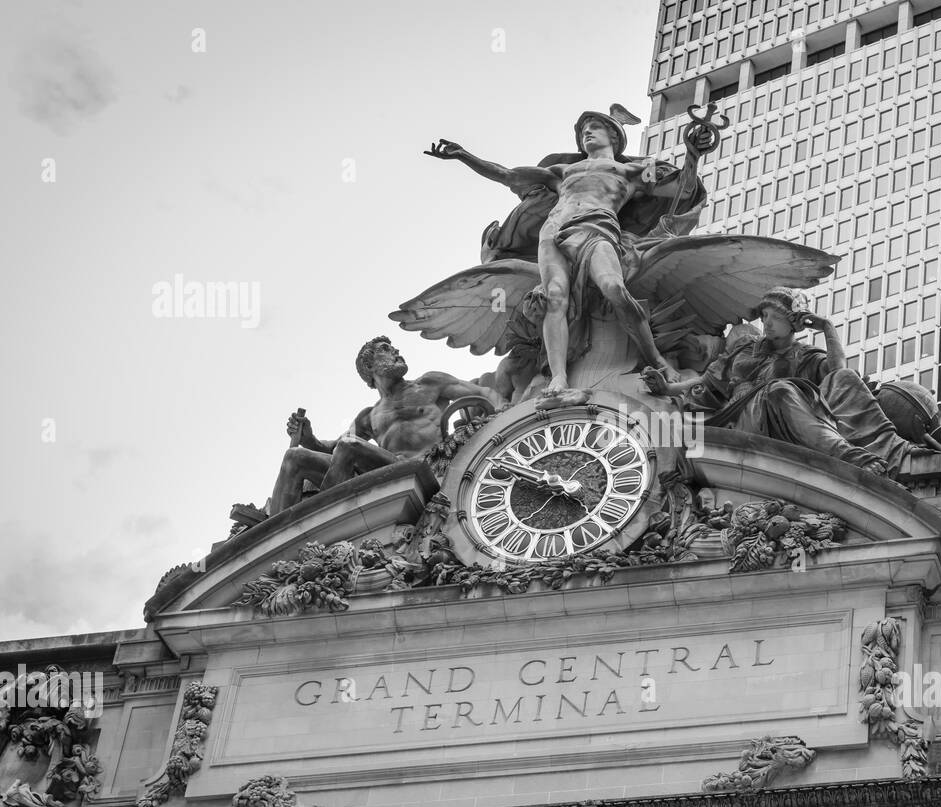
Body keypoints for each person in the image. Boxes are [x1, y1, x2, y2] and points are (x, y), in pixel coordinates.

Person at [427, 106, 693, 401]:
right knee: (554, 298)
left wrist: (693, 155)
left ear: (614, 137)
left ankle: (656, 361)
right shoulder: (562, 172)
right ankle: (558, 376)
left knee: (614, 288)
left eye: (594, 127)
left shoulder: (631, 171)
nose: (586, 133)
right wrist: (464, 155)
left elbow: (683, 190)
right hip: (553, 231)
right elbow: (508, 175)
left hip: (597, 227)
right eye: (582, 131)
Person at [641, 288, 918, 476]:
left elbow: (837, 373)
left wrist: (827, 328)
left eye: (776, 317)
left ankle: (883, 448)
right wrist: (666, 389)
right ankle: (846, 455)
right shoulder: (743, 350)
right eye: (764, 317)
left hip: (784, 422)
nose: (768, 323)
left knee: (840, 379)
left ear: (795, 323)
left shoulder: (805, 355)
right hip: (737, 420)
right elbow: (705, 382)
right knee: (779, 390)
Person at [267, 337, 502, 514]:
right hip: (386, 474)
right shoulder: (370, 415)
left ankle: (325, 517)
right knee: (294, 457)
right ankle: (275, 536)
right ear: (369, 367)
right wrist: (308, 438)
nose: (396, 352)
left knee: (350, 446)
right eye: (385, 350)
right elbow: (331, 449)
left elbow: (484, 393)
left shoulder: (430, 383)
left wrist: (504, 418)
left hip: (425, 469)